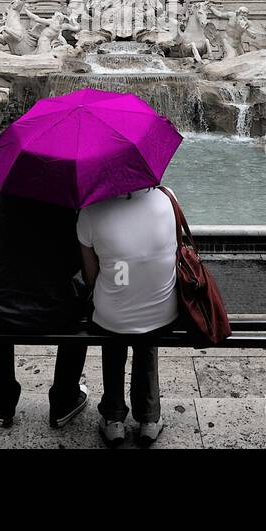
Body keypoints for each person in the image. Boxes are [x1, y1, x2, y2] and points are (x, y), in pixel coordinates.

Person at [0, 181, 89, 429]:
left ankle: (2, 400)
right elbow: (76, 265)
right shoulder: (65, 202)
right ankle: (64, 399)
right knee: (84, 305)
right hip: (55, 312)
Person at [77, 186, 180, 447]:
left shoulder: (89, 211)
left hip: (112, 317)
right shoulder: (167, 197)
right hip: (163, 311)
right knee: (146, 335)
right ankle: (149, 419)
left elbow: (90, 277)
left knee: (113, 328)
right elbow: (175, 253)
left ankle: (113, 420)